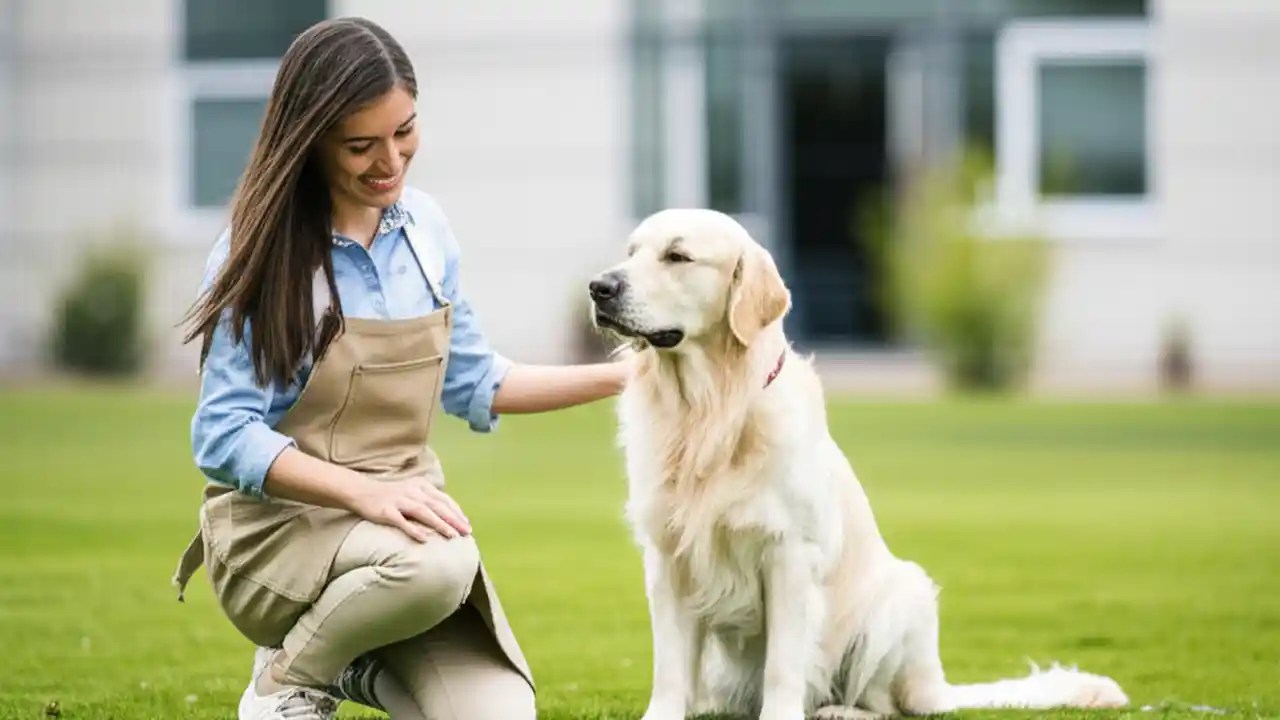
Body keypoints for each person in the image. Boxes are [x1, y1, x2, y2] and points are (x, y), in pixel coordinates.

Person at [171, 17, 626, 720]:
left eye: (404, 132)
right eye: (361, 145)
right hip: (280, 540)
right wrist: (364, 494)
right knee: (443, 561)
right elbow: (223, 433)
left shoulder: (427, 232)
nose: (391, 161)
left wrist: (628, 375)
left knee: (502, 713)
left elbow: (480, 382)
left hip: (395, 542)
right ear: (311, 140)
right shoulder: (259, 250)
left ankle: (348, 659)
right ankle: (289, 679)